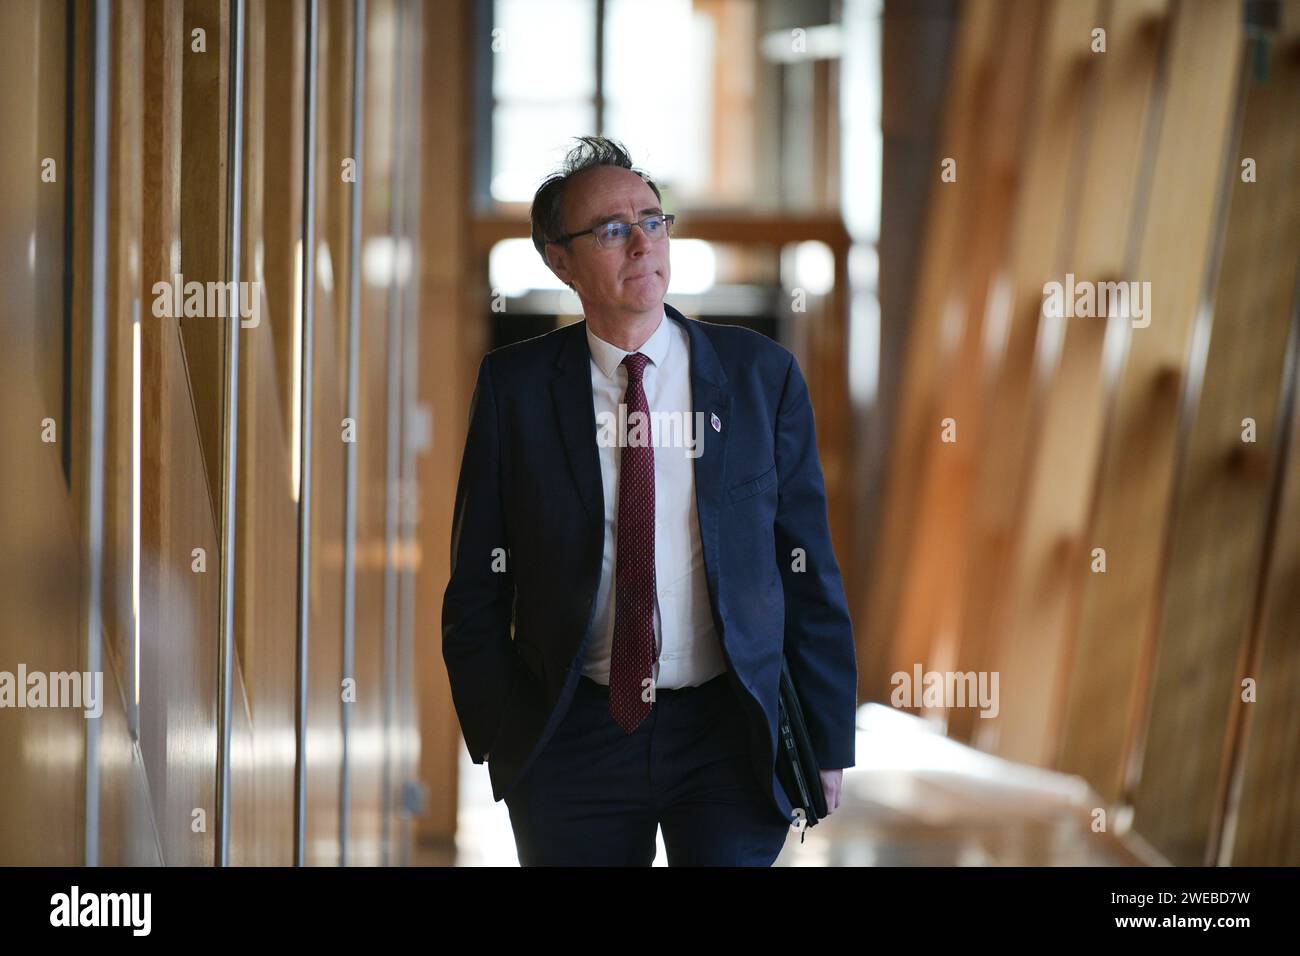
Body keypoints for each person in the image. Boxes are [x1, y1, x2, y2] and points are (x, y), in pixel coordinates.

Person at [442, 136, 857, 866]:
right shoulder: (515, 390)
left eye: (653, 220)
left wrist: (826, 738)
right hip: (573, 737)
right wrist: (504, 734)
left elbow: (808, 572)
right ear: (557, 260)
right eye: (611, 229)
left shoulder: (762, 377)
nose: (642, 241)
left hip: (729, 734)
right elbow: (477, 582)